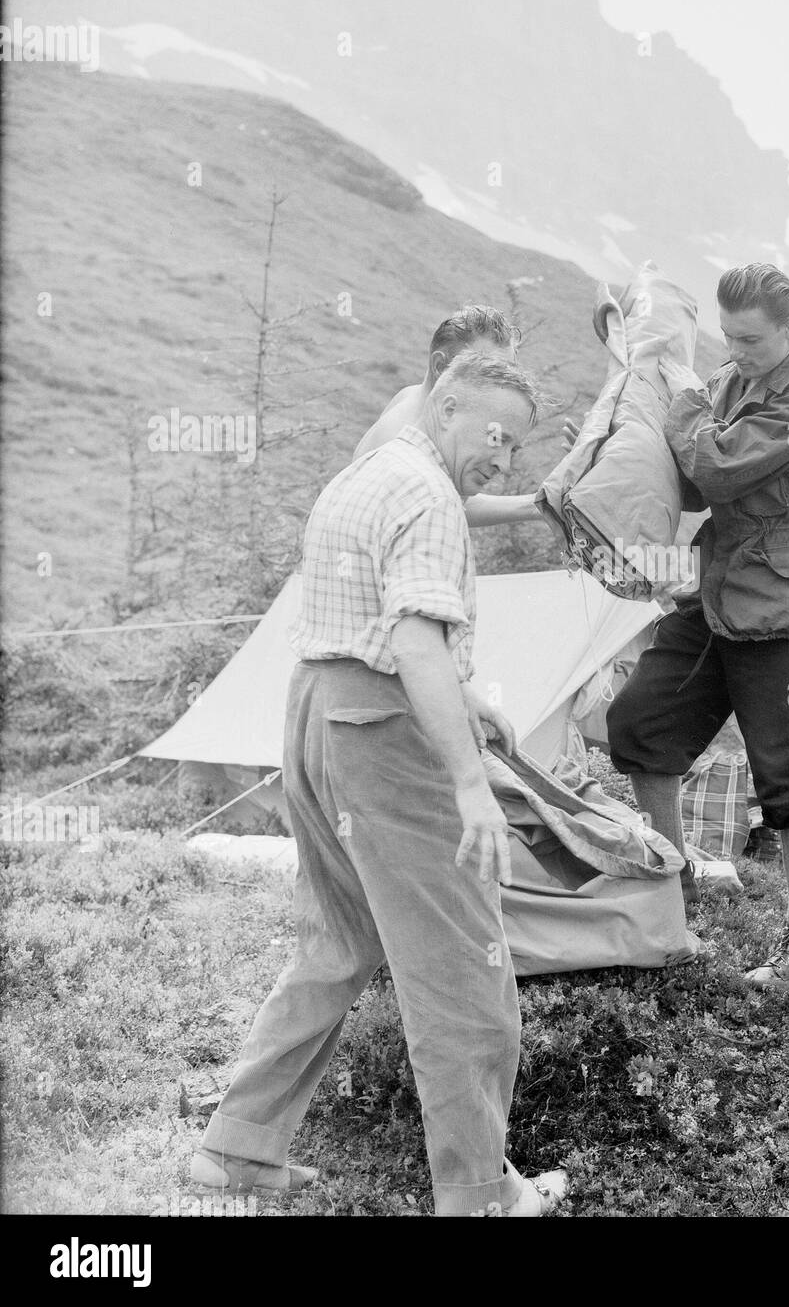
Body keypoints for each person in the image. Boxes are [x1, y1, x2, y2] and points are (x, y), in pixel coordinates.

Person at [191, 350, 567, 1216]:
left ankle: (237, 1147)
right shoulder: (430, 497)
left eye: (515, 450)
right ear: (446, 405)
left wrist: (464, 700)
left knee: (338, 942)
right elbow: (412, 644)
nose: (501, 462)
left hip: (316, 713)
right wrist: (471, 786)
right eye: (494, 436)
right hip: (379, 742)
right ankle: (478, 1194)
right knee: (462, 965)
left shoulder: (372, 470)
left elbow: (369, 620)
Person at [607, 263, 789, 990]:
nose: (736, 349)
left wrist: (684, 401)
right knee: (640, 724)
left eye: (750, 338)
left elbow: (715, 464)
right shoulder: (732, 381)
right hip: (715, 591)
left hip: (788, 607)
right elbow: (689, 476)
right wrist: (618, 448)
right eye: (728, 336)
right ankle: (670, 886)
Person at [355, 304, 547, 528]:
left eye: (507, 373)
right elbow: (441, 506)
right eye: (487, 371)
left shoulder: (410, 397)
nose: (503, 385)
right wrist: (537, 505)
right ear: (439, 365)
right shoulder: (404, 445)